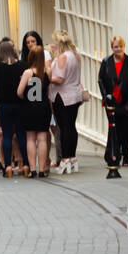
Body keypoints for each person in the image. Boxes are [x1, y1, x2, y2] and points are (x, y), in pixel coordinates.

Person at [0, 38, 29, 177]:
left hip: (4, 105)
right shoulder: (22, 66)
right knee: (21, 135)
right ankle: (26, 165)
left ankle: (9, 167)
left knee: (7, 135)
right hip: (20, 104)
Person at [99, 35, 128, 168]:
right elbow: (101, 80)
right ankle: (114, 155)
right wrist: (106, 96)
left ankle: (126, 156)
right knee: (114, 129)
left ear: (124, 47)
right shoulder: (106, 61)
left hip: (126, 101)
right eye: (116, 47)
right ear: (112, 48)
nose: (118, 49)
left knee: (126, 129)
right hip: (111, 102)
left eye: (121, 46)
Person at [49, 29, 85, 174]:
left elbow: (59, 79)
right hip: (74, 95)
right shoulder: (76, 55)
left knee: (64, 128)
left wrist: (46, 77)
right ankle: (72, 158)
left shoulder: (63, 57)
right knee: (71, 126)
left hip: (62, 96)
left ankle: (64, 160)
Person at [17, 45, 52, 178]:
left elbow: (19, 92)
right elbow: (48, 91)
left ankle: (33, 169)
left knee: (30, 138)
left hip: (29, 107)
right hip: (43, 107)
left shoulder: (28, 73)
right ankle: (42, 169)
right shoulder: (47, 72)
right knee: (42, 138)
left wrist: (25, 98)